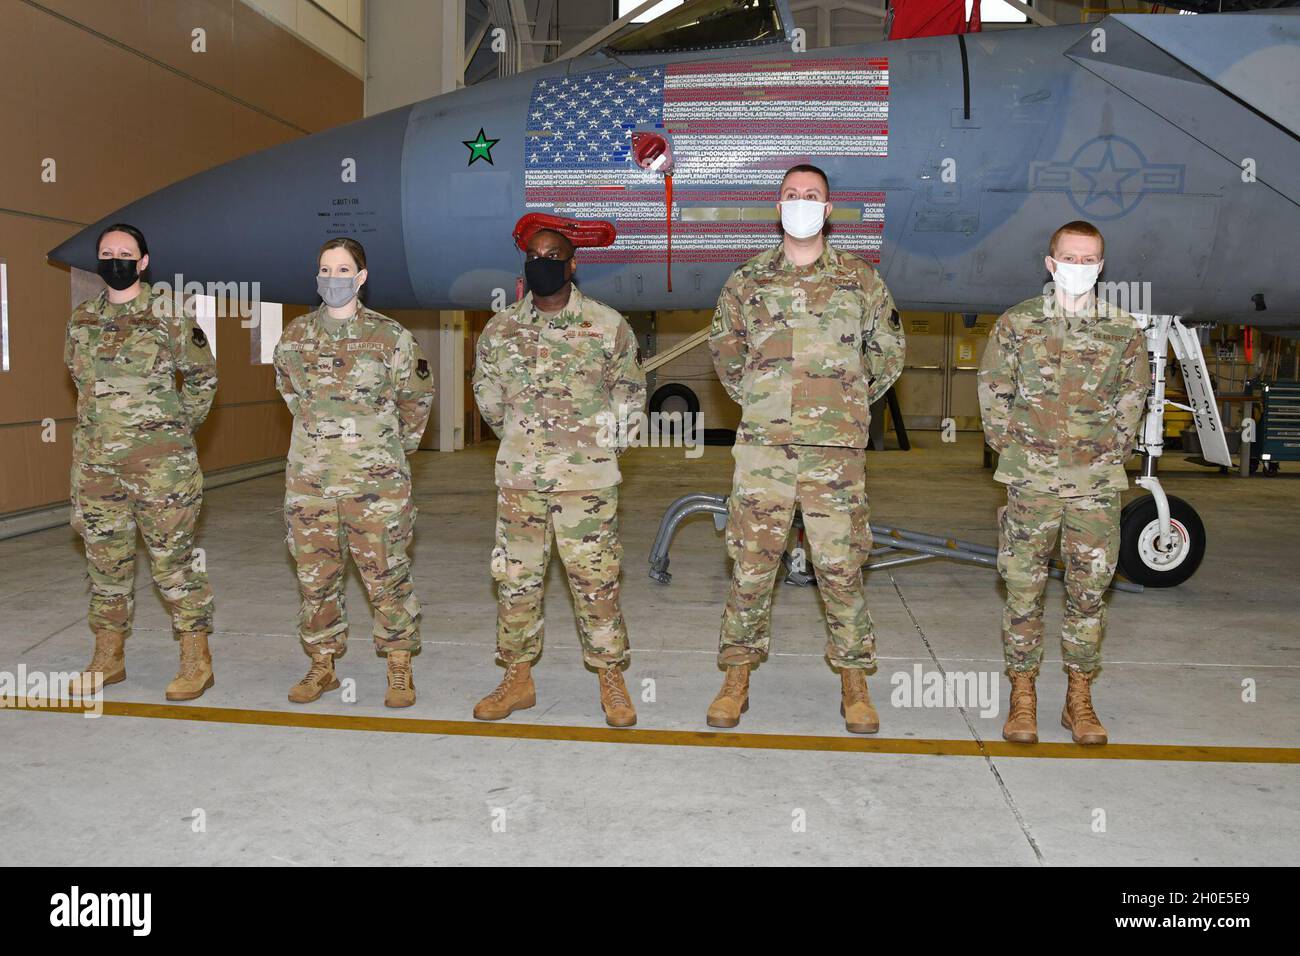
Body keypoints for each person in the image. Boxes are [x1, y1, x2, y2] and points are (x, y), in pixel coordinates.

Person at [707, 164, 905, 733]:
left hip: (834, 455)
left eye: (810, 196)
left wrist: (844, 404)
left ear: (827, 209)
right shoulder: (746, 282)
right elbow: (725, 354)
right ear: (778, 207)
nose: (800, 203)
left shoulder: (861, 281)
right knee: (751, 564)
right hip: (764, 451)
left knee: (840, 566)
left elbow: (888, 353)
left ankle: (854, 681)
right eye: (791, 195)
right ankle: (736, 677)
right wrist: (765, 403)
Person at [977, 219, 1150, 746]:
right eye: (1068, 259)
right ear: (1051, 265)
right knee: (1023, 592)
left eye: (1088, 259)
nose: (1078, 267)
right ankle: (1023, 696)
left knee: (1089, 594)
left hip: (1094, 487)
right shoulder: (1017, 324)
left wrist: (1100, 457)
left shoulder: (1123, 330)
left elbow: (1132, 403)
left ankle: (1079, 699)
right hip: (1031, 483)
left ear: (1101, 266)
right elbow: (993, 394)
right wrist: (1024, 454)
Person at [471, 227, 646, 727]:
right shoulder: (500, 329)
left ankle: (610, 677)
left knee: (596, 581)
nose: (542, 262)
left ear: (572, 266)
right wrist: (522, 440)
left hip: (585, 483)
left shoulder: (606, 325)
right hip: (520, 479)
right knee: (516, 581)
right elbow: (488, 396)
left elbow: (631, 394)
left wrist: (597, 447)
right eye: (534, 255)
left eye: (553, 256)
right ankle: (517, 678)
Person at [273, 238, 433, 707]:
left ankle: (399, 664)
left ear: (361, 278)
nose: (333, 278)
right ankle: (322, 664)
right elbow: (290, 394)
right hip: (310, 484)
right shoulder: (295, 337)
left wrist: (385, 454)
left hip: (376, 485)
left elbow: (416, 402)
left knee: (387, 575)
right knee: (315, 578)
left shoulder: (391, 338)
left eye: (343, 270)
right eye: (325, 269)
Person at [67, 223, 218, 700]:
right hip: (96, 467)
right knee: (104, 564)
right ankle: (107, 656)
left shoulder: (169, 314)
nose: (116, 259)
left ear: (144, 261)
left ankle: (197, 659)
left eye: (125, 253)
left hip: (161, 470)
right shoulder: (82, 319)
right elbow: (80, 382)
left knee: (173, 564)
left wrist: (172, 435)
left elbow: (202, 379)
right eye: (107, 252)